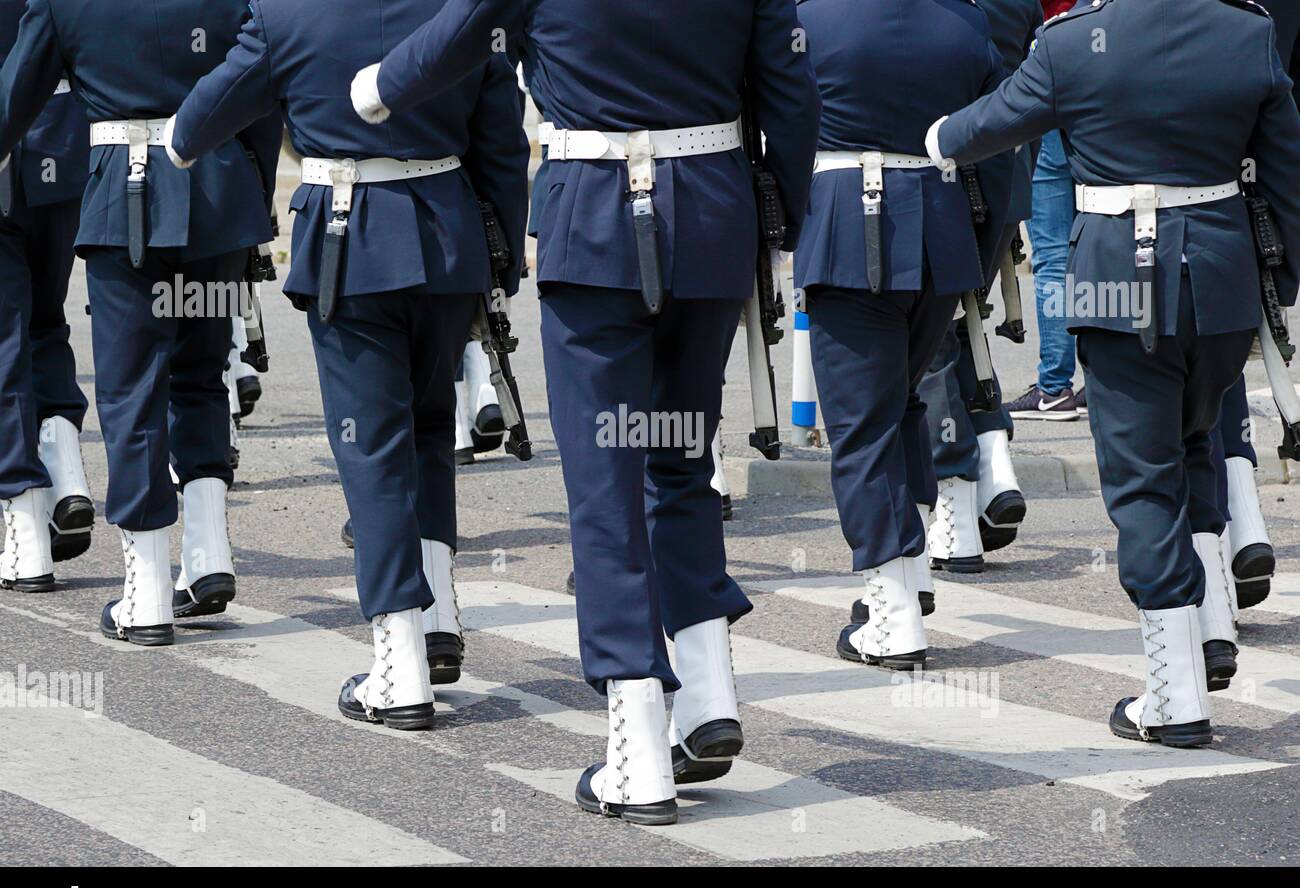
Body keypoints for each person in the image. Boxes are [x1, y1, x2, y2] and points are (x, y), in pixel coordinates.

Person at [351, 0, 820, 824]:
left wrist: (380, 89)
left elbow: (460, 33)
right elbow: (790, 88)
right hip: (710, 219)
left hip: (594, 218)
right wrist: (783, 211)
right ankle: (709, 691)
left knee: (607, 489)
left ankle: (638, 748)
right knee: (681, 462)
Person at [928, 0, 1300, 747]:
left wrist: (935, 136)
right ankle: (1206, 634)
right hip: (1220, 284)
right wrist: (1280, 289)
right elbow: (1287, 184)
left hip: (1116, 282)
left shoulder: (1073, 42)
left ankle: (1175, 695)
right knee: (1193, 444)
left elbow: (987, 126)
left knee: (1139, 479)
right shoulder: (1248, 33)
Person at [169, 0, 530, 729]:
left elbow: (192, 129)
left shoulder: (286, 13)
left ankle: (398, 661)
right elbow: (503, 144)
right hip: (446, 241)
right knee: (431, 431)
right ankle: (437, 618)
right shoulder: (458, 11)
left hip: (350, 243)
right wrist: (500, 260)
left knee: (373, 451)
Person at [0, 0, 279, 644]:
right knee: (202, 377)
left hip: (124, 211)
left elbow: (17, 98)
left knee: (132, 395)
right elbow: (263, 98)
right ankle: (208, 555)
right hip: (218, 201)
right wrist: (251, 196)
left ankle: (147, 591)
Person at [796, 0, 1012, 670]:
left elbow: (774, 129)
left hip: (841, 229)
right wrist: (979, 251)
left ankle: (891, 616)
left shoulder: (810, 20)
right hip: (938, 237)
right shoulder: (966, 23)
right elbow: (1001, 153)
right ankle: (912, 579)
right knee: (901, 408)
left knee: (861, 430)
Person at [917, 0, 1043, 571]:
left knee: (936, 343)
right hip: (1001, 177)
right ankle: (995, 465)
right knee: (962, 327)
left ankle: (956, 514)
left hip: (931, 175)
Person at [1210, 0, 1300, 611]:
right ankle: (1243, 514)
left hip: (1178, 201)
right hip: (1255, 192)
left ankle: (1214, 585)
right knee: (1218, 370)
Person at [0, 0, 91, 592]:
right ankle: (68, 468)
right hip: (64, 144)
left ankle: (26, 529)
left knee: (7, 343)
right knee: (45, 323)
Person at [1004, 0, 1087, 421]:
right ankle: (1104, 378)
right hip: (1105, 80)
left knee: (1054, 253)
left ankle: (1055, 385)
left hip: (1052, 73)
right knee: (1105, 232)